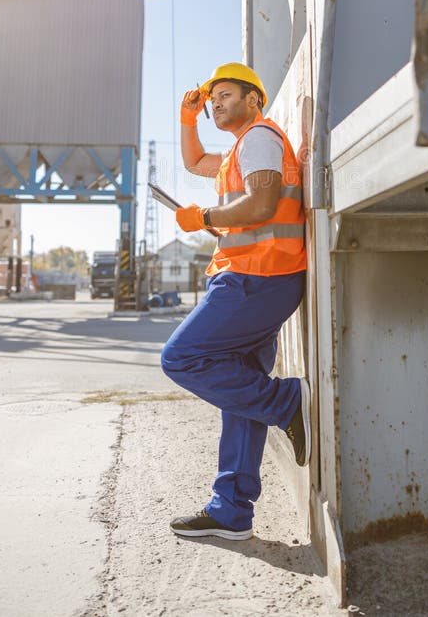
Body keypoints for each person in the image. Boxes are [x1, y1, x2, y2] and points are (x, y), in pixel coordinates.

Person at [160, 62, 310, 541]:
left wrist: (204, 215)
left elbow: (263, 204)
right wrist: (187, 120)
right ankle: (231, 510)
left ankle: (289, 402)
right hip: (261, 277)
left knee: (181, 358)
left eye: (225, 94)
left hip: (256, 278)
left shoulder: (260, 137)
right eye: (213, 99)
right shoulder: (238, 150)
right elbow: (194, 162)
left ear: (254, 99)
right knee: (240, 396)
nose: (217, 103)